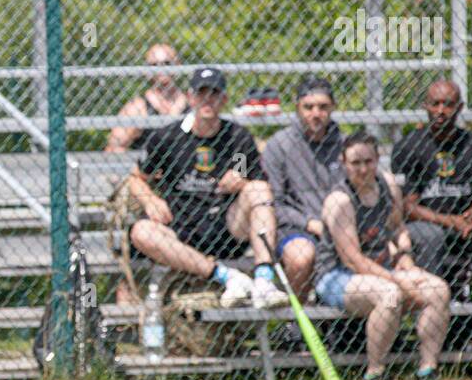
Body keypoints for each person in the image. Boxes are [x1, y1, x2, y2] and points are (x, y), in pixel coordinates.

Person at [125, 66, 289, 309]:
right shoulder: (168, 137)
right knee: (140, 232)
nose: (207, 100)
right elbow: (135, 178)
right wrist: (150, 200)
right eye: (201, 94)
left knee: (259, 190)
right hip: (181, 229)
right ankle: (226, 276)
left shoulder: (237, 137)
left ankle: (264, 280)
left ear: (224, 99)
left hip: (226, 227)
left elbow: (256, 182)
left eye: (214, 94)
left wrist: (240, 182)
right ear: (190, 97)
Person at [315, 131, 451, 380]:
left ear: (377, 160)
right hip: (338, 276)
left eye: (368, 161)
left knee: (438, 289)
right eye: (355, 163)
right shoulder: (340, 200)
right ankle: (374, 372)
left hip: (381, 269)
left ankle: (427, 369)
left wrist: (405, 257)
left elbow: (398, 228)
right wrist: (400, 282)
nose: (363, 169)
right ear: (344, 164)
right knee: (389, 295)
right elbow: (352, 260)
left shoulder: (387, 185)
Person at [391, 79, 472, 283]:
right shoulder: (408, 146)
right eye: (435, 103)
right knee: (432, 237)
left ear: (460, 108)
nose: (441, 110)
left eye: (448, 104)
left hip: (466, 224)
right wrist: (451, 222)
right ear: (425, 106)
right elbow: (408, 208)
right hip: (426, 223)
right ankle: (432, 298)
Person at [260, 75, 345, 297]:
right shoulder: (279, 145)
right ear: (297, 107)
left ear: (333, 107)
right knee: (301, 257)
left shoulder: (346, 145)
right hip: (295, 226)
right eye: (308, 107)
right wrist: (309, 223)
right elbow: (275, 203)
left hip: (341, 225)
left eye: (323, 107)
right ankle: (296, 323)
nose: (316, 114)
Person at [105, 43, 189, 153]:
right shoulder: (138, 107)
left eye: (167, 63)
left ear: (178, 65)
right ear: (147, 71)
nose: (161, 68)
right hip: (150, 167)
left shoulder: (192, 103)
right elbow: (113, 148)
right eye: (155, 65)